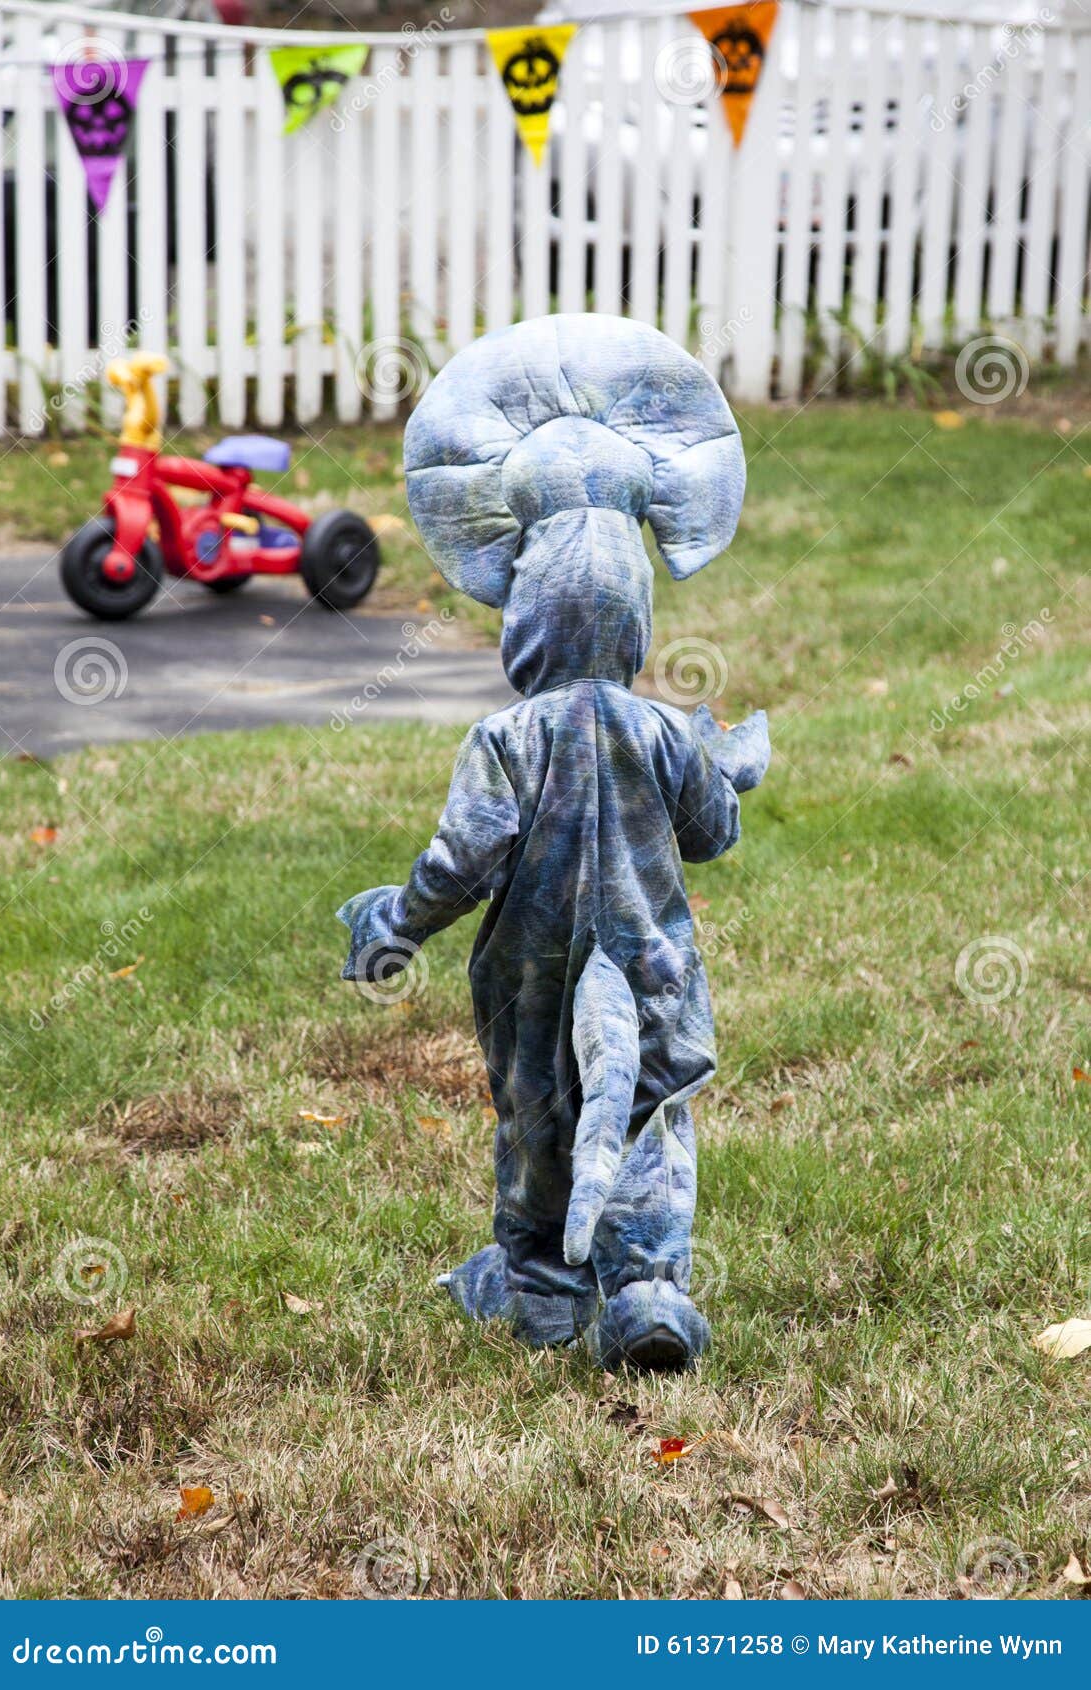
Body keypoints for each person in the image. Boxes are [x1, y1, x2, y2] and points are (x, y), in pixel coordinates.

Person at [338, 313, 769, 1370]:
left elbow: (461, 862)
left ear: (523, 603)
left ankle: (540, 1284)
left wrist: (396, 921)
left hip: (529, 973)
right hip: (655, 961)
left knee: (538, 1113)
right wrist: (724, 768)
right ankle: (648, 1286)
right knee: (647, 1117)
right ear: (635, 603)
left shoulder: (505, 738)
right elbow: (711, 836)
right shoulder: (663, 729)